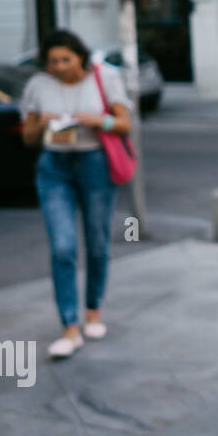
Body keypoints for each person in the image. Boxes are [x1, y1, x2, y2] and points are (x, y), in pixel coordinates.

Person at [19, 30, 133, 359]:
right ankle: (70, 327)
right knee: (63, 247)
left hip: (94, 162)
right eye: (52, 61)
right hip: (54, 168)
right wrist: (41, 123)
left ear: (80, 57)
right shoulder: (38, 86)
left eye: (65, 60)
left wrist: (99, 120)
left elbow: (125, 124)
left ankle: (93, 311)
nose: (58, 67)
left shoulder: (105, 78)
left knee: (97, 243)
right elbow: (27, 138)